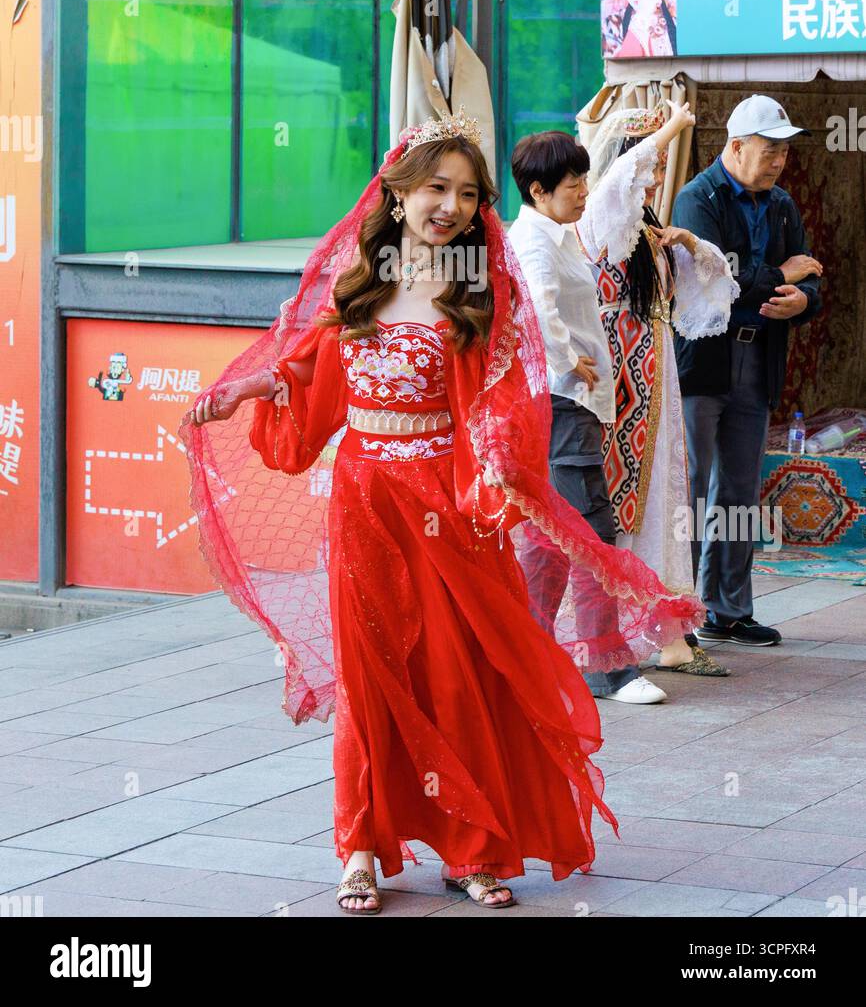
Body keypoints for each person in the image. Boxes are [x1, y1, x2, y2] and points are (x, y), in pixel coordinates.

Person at [179, 107, 704, 916]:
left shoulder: (479, 289)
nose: (451, 205)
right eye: (435, 187)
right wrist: (256, 385)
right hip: (364, 505)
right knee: (372, 678)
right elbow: (307, 379)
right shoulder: (360, 280)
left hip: (452, 508)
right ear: (396, 193)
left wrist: (495, 462)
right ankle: (359, 849)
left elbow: (508, 402)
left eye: (466, 193)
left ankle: (472, 848)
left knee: (461, 677)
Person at [578, 99, 738, 678]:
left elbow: (717, 280)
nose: (657, 166)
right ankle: (625, 630)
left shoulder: (645, 226)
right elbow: (621, 175)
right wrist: (673, 124)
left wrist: (690, 245)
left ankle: (668, 629)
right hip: (618, 375)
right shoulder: (602, 212)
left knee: (665, 493)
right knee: (621, 500)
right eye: (653, 157)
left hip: (655, 374)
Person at [508, 129, 665, 705]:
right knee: (591, 531)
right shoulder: (534, 240)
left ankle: (528, 653)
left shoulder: (556, 233)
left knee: (549, 536)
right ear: (539, 189)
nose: (582, 191)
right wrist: (569, 361)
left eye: (583, 179)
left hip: (570, 403)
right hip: (563, 403)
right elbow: (536, 305)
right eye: (572, 183)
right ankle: (606, 664)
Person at [673, 96, 823, 647]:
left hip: (759, 356)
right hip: (704, 357)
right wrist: (777, 274)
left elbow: (809, 272)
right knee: (688, 489)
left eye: (784, 150)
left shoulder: (782, 204)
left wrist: (802, 299)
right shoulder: (697, 198)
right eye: (769, 149)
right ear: (736, 147)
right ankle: (677, 615)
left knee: (738, 490)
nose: (780, 160)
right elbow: (712, 273)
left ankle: (728, 610)